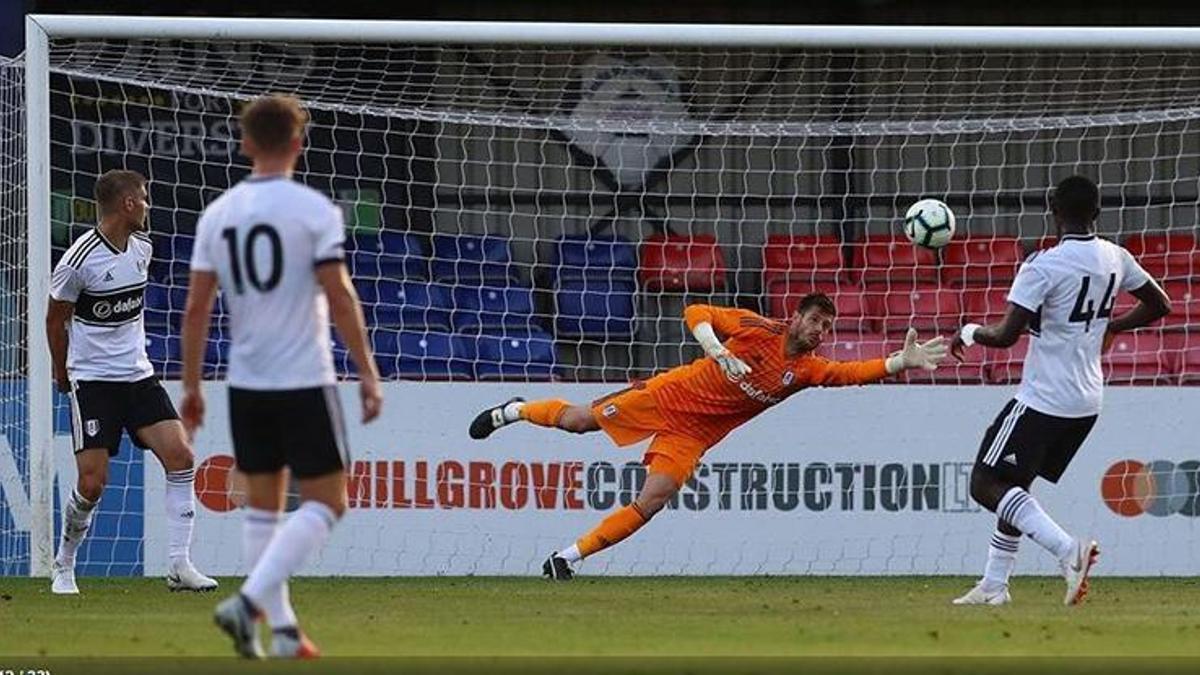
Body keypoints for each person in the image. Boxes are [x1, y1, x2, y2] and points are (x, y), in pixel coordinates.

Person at [470, 294, 947, 579]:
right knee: (578, 422)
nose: (821, 331)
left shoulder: (806, 369)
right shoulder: (757, 327)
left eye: (828, 326)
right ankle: (513, 410)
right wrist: (715, 348)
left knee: (652, 501)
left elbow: (851, 372)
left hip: (693, 435)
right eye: (816, 321)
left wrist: (898, 363)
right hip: (666, 396)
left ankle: (564, 558)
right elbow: (696, 308)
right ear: (797, 317)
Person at [179, 95, 382, 658]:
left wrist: (192, 387)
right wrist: (367, 372)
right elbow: (339, 294)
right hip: (303, 378)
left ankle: (286, 634)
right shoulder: (314, 209)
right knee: (328, 503)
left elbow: (196, 309)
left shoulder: (217, 214)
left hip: (246, 382)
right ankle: (247, 605)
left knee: (264, 508)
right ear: (299, 143)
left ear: (244, 143)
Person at [950, 175, 1171, 607]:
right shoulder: (1116, 255)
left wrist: (969, 330)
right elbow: (1160, 304)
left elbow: (1006, 336)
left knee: (984, 482)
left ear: (1052, 209)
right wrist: (1113, 325)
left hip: (1044, 397)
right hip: (1087, 401)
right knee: (1016, 486)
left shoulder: (1042, 265)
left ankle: (1069, 551)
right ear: (1097, 213)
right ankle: (995, 586)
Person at [46, 169, 217, 596]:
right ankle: (63, 563)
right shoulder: (77, 261)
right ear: (126, 204)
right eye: (143, 197)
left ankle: (180, 565)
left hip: (138, 376)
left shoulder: (143, 247)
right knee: (92, 482)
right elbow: (54, 320)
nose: (147, 204)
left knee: (180, 455)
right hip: (94, 382)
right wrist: (60, 370)